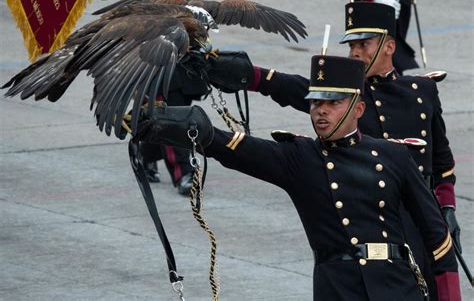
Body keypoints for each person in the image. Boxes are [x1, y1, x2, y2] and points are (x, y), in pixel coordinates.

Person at [136, 55, 461, 300]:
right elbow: (233, 147)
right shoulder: (300, 158)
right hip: (338, 287)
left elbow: (437, 238)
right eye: (315, 102)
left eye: (332, 103)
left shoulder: (394, 156)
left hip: (397, 285)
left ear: (358, 110)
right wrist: (192, 129)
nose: (320, 110)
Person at [203, 1, 462, 299]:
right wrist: (250, 75)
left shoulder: (422, 90)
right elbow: (295, 88)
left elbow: (442, 160)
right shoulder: (346, 96)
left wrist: (448, 208)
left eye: (364, 44)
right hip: (373, 217)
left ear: (389, 46)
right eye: (351, 45)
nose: (355, 52)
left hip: (419, 214)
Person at [113, 0, 211, 194]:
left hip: (183, 18)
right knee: (161, 96)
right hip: (150, 23)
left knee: (182, 92)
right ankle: (183, 172)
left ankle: (146, 151)